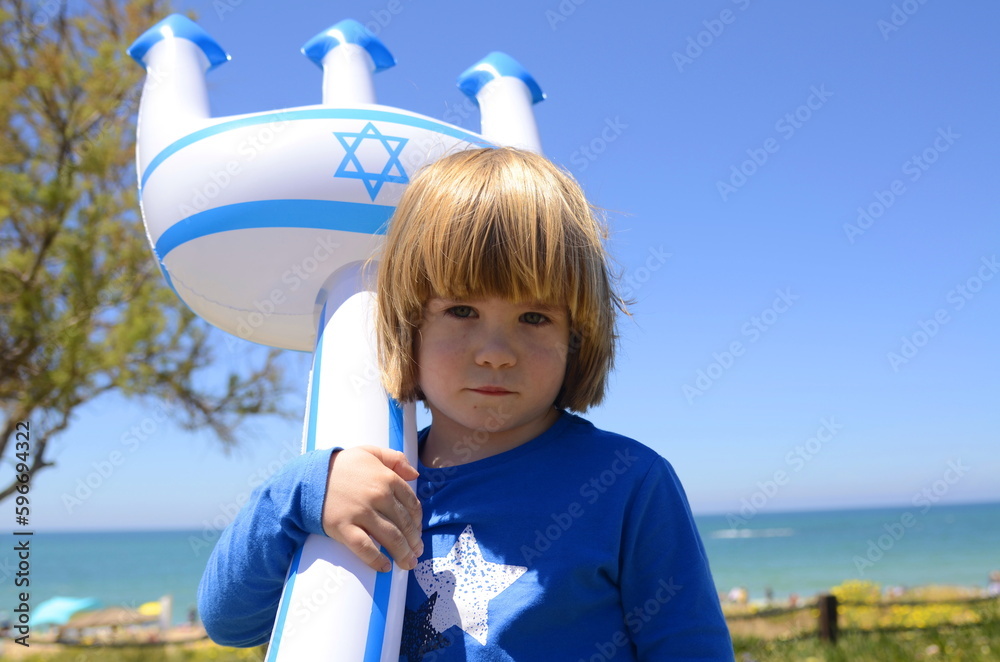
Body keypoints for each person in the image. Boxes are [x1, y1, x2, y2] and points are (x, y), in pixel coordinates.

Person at [198, 147, 734, 660]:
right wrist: (301, 495)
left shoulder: (628, 483)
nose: (496, 353)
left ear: (578, 335)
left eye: (534, 317)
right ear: (409, 325)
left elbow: (691, 647)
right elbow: (233, 623)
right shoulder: (370, 486)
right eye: (460, 310)